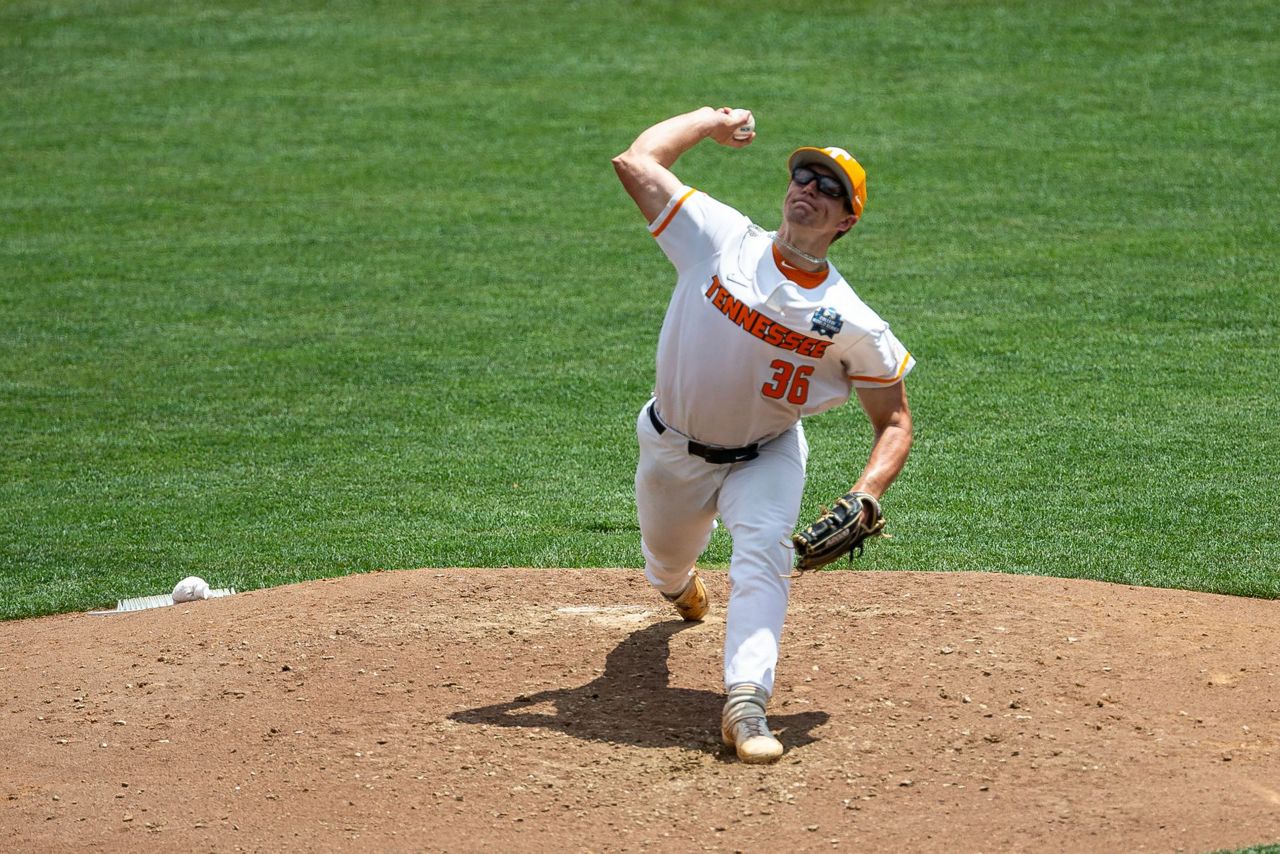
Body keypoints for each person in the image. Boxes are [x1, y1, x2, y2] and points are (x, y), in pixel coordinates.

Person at [611, 106, 915, 763]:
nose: (810, 188)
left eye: (829, 187)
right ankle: (678, 586)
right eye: (804, 175)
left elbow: (894, 419)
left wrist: (867, 494)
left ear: (846, 221)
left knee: (763, 556)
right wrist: (709, 120)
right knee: (665, 563)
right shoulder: (719, 238)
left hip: (767, 455)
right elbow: (635, 163)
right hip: (672, 448)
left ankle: (746, 706)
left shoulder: (853, 322)